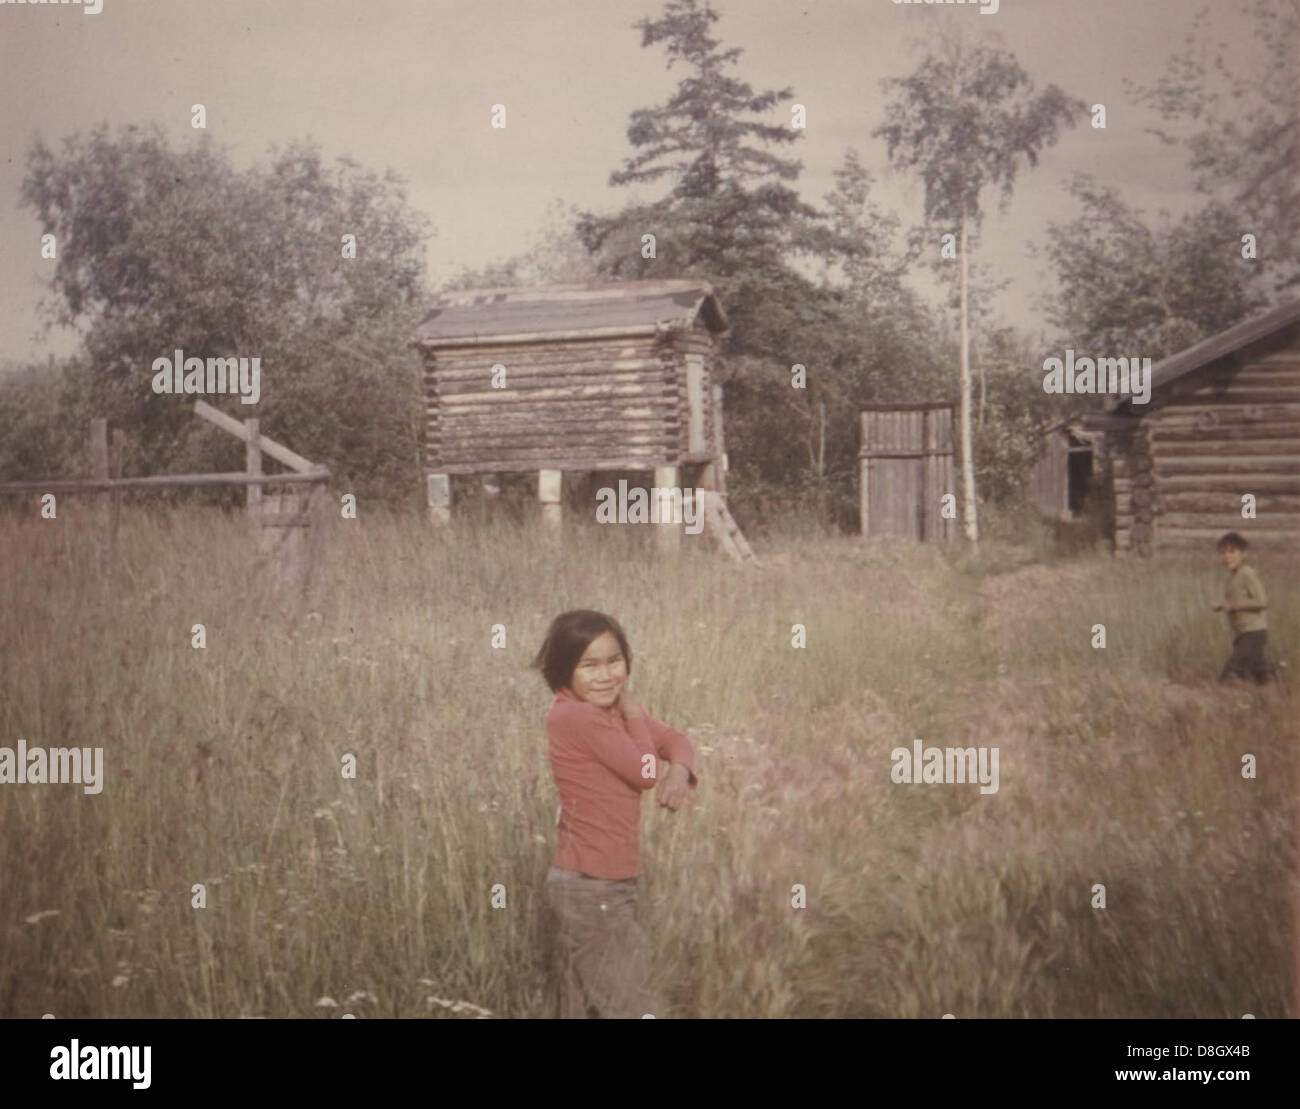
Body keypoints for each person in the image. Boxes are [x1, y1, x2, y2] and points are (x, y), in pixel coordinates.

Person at [532, 609, 697, 1018]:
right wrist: (636, 714)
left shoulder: (604, 711)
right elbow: (644, 771)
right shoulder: (575, 716)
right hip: (592, 886)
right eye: (589, 665)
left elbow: (677, 740)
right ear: (563, 670)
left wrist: (679, 769)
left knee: (582, 1007)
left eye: (614, 661)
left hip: (599, 884)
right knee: (632, 1008)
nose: (606, 675)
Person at [1210, 532, 1270, 685]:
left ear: (1243, 554)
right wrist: (1223, 605)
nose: (1227, 557)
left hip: (1253, 632)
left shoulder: (1247, 574)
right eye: (1223, 553)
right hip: (1243, 633)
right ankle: (1280, 693)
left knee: (1230, 671)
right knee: (1259, 675)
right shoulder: (1233, 577)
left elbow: (1262, 601)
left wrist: (1233, 606)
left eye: (1232, 552)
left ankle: (1221, 694)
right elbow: (1236, 601)